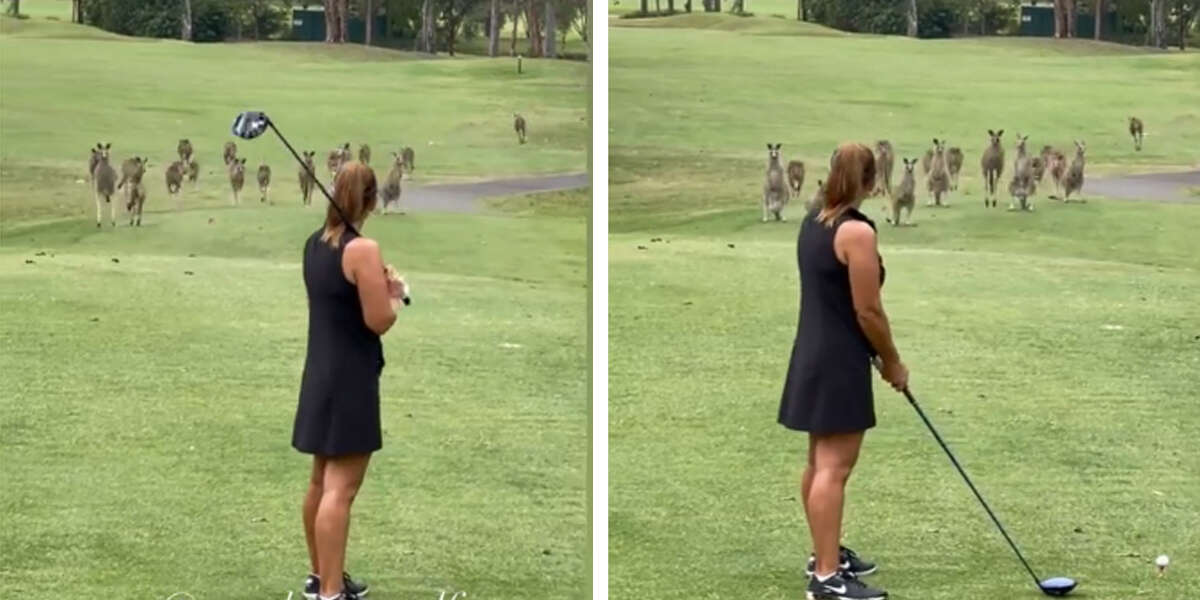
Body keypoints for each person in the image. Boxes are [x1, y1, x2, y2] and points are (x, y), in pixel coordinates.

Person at [778, 143, 908, 600]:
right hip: (838, 361)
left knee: (819, 462)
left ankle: (824, 554)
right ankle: (827, 578)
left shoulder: (814, 220)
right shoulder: (857, 232)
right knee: (833, 467)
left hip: (813, 352)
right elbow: (868, 310)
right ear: (871, 181)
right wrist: (892, 361)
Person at [293, 162, 406, 600]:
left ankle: (322, 577)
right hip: (351, 379)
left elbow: (335, 304)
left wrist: (374, 286)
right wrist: (393, 295)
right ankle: (331, 593)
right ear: (371, 200)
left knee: (320, 482)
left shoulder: (313, 244)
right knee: (341, 489)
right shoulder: (363, 250)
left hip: (319, 374)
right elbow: (378, 321)